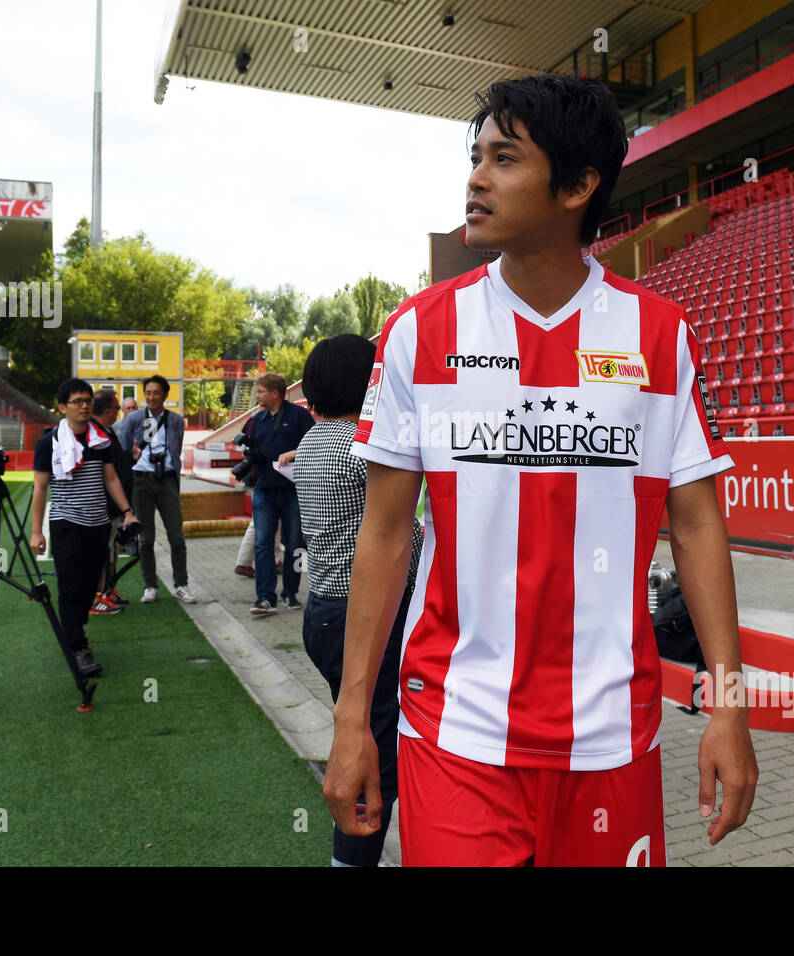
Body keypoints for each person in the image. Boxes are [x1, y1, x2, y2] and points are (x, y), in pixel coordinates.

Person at [322, 73, 758, 866]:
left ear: (579, 186)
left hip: (612, 738)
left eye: (504, 159)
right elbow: (384, 536)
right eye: (475, 156)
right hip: (455, 730)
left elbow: (696, 527)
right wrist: (354, 716)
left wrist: (728, 708)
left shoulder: (658, 333)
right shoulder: (420, 330)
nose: (475, 178)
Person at [295, 334, 423, 866]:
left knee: (366, 733)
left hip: (323, 609)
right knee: (377, 760)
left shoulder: (309, 442)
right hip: (364, 614)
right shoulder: (362, 445)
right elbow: (396, 530)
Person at [29, 378, 139, 677]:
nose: (85, 406)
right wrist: (37, 531)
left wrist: (127, 512)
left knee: (92, 584)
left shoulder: (100, 439)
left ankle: (75, 626)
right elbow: (40, 489)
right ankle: (78, 647)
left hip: (98, 524)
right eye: (78, 401)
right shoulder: (48, 444)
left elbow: (111, 479)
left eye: (88, 400)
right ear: (62, 407)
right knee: (70, 585)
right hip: (66, 523)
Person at [119, 375, 196, 604]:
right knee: (146, 538)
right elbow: (125, 450)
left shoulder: (175, 420)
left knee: (176, 536)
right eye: (148, 393)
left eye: (156, 393)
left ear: (165, 395)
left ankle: (181, 584)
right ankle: (150, 586)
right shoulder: (133, 419)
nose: (152, 397)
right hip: (141, 481)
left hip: (168, 480)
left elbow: (176, 448)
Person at [244, 373, 315, 615]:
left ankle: (290, 594)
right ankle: (265, 598)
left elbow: (314, 443)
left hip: (293, 491)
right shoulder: (257, 420)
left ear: (275, 393)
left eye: (261, 391)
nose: (257, 395)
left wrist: (294, 452)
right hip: (263, 490)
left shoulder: (299, 416)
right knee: (263, 544)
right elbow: (252, 449)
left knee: (294, 544)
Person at [89, 389, 131, 614]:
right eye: (116, 408)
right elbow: (107, 475)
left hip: (113, 507)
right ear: (108, 410)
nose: (119, 412)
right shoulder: (96, 434)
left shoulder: (105, 431)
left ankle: (107, 591)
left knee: (112, 552)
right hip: (105, 507)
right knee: (104, 553)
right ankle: (98, 597)